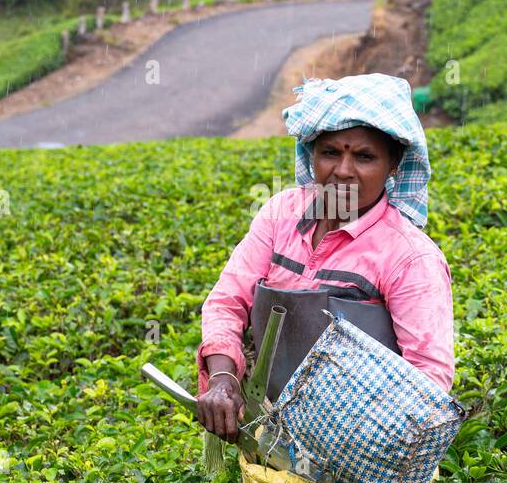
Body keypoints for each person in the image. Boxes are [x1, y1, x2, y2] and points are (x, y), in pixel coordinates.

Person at [194, 73, 455, 445]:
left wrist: (356, 437)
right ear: (312, 154)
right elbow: (226, 301)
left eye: (365, 157)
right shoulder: (280, 214)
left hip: (364, 445)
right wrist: (224, 379)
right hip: (264, 431)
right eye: (331, 152)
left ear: (394, 164)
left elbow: (429, 378)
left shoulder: (410, 257)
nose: (344, 170)